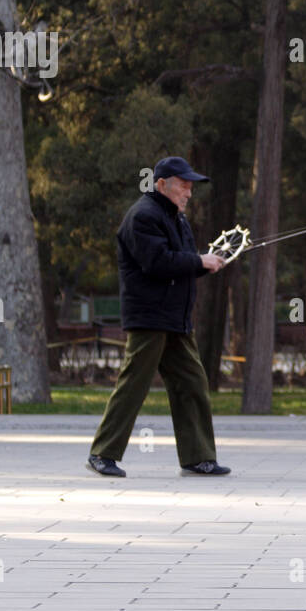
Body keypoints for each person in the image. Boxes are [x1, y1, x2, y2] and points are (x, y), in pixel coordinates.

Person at [87, 156, 231, 478]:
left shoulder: (177, 219)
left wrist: (208, 263)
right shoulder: (143, 216)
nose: (189, 192)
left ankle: (198, 457)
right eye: (183, 185)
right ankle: (102, 453)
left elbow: (184, 264)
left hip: (175, 319)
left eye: (191, 186)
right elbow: (158, 263)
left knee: (193, 382)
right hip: (150, 318)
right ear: (161, 184)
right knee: (134, 385)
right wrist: (198, 262)